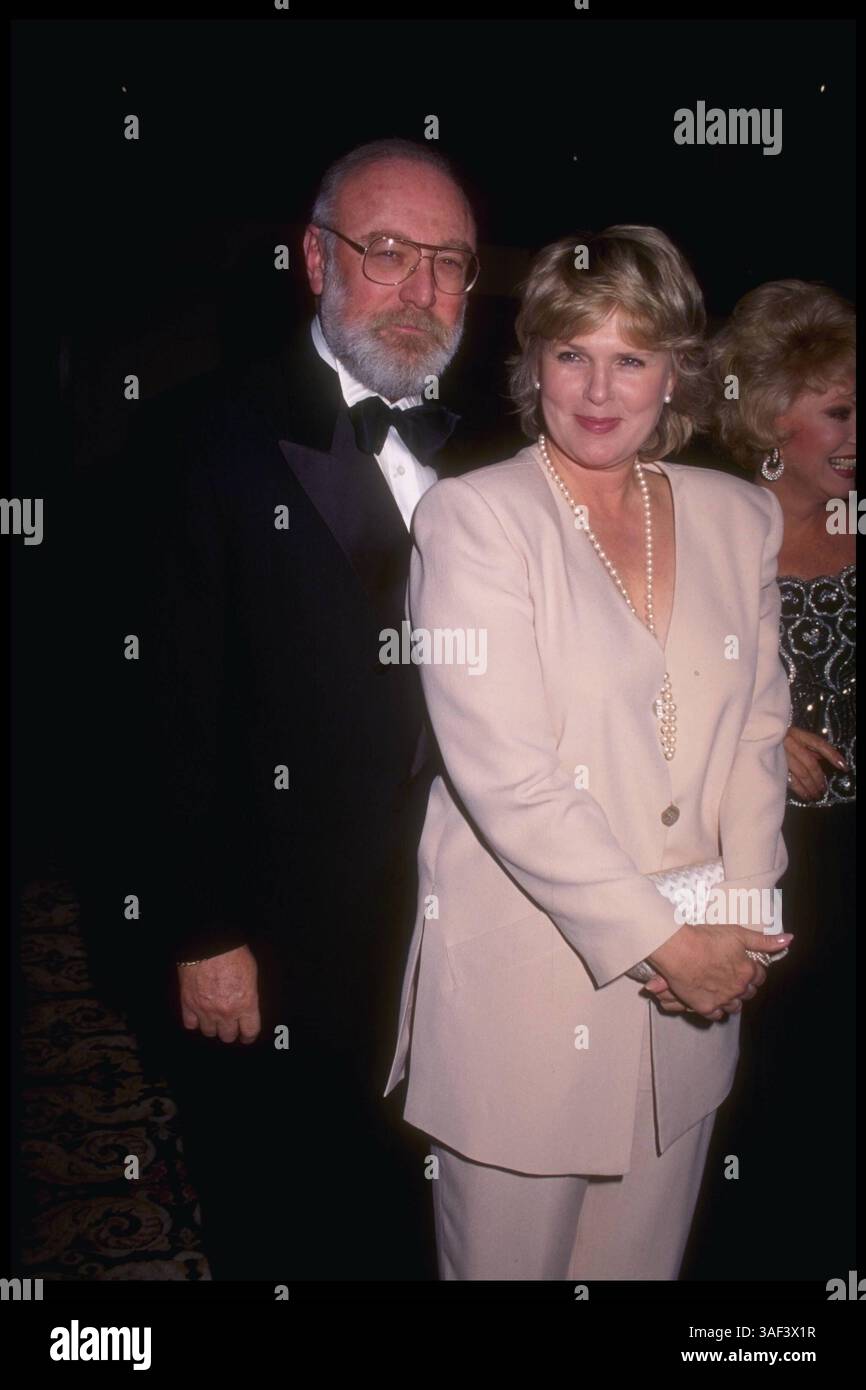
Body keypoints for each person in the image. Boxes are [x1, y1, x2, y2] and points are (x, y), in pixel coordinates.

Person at [384, 226, 793, 1280]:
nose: (599, 389)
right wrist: (669, 943)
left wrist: (742, 918)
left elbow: (753, 727)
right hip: (532, 989)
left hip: (696, 990)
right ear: (534, 365)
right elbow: (507, 780)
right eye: (572, 353)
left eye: (631, 356)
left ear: (678, 371)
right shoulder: (473, 520)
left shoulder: (735, 514)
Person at [113, 137, 480, 1280]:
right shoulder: (192, 438)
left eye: (449, 262)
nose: (419, 289)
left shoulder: (507, 444)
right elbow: (152, 714)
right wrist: (200, 927)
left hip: (459, 914)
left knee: (417, 1197)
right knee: (278, 1195)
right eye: (385, 252)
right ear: (315, 260)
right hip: (276, 921)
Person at [685, 280, 855, 1280]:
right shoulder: (711, 522)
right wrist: (760, 728)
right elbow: (649, 687)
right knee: (761, 1096)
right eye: (839, 410)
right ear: (769, 414)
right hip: (765, 856)